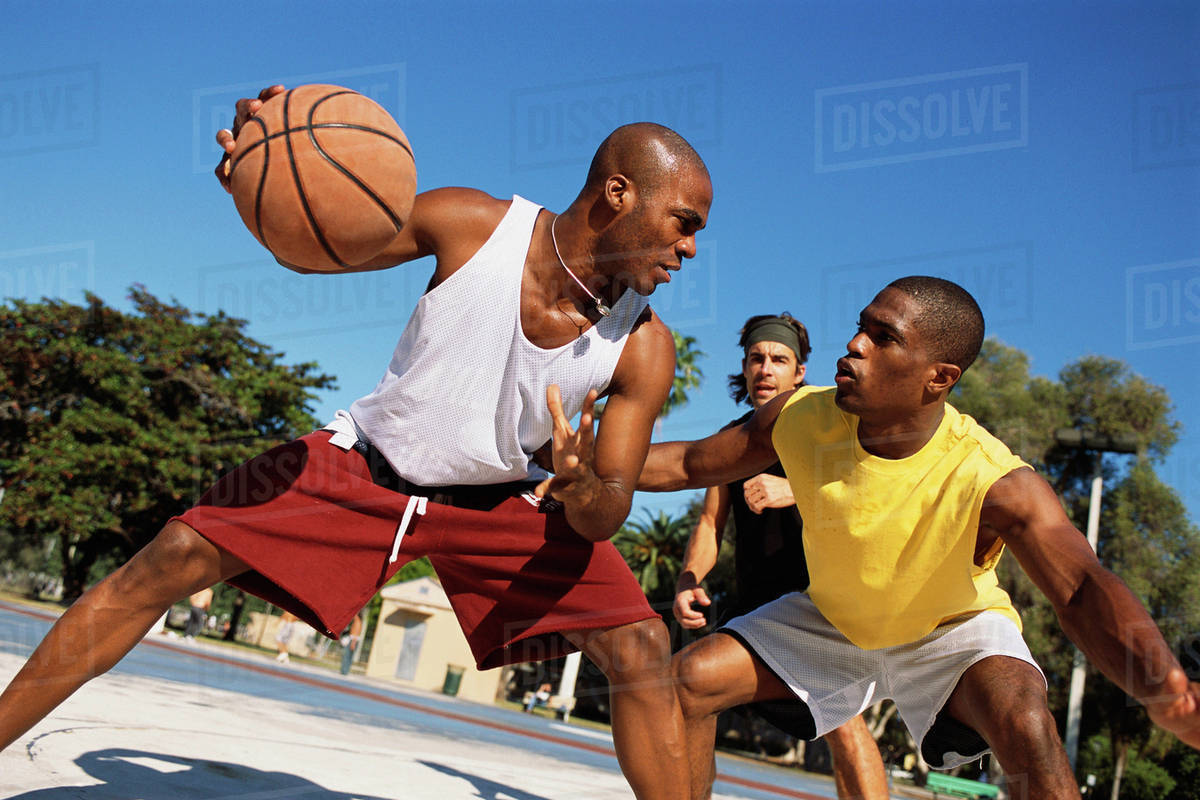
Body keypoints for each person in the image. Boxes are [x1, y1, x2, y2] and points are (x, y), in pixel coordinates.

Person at [0, 86, 712, 800]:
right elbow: (322, 253)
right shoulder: (473, 224)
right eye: (684, 223)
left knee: (641, 646)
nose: (688, 248)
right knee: (173, 554)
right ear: (618, 193)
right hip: (366, 469)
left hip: (500, 506)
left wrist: (583, 483)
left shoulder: (644, 347)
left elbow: (604, 512)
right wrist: (262, 181)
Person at [549, 276, 1200, 799]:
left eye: (882, 338)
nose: (854, 345)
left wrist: (1161, 686)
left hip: (951, 628)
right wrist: (582, 466)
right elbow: (693, 462)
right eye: (862, 324)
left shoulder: (994, 480)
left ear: (937, 378)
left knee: (1026, 720)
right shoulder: (804, 415)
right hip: (832, 618)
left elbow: (1081, 586)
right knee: (686, 682)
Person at [673, 312, 888, 799]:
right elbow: (710, 522)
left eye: (779, 359)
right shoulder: (733, 440)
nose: (765, 368)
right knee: (692, 694)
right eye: (756, 358)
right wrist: (689, 577)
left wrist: (798, 489)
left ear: (800, 373)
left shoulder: (830, 427)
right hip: (758, 608)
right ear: (745, 369)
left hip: (822, 608)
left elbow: (874, 496)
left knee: (844, 724)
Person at [339, 611, 363, 675]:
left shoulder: (358, 622)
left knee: (347, 656)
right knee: (347, 656)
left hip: (353, 641)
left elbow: (356, 634)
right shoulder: (356, 622)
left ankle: (344, 671)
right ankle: (344, 671)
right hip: (352, 640)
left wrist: (353, 643)